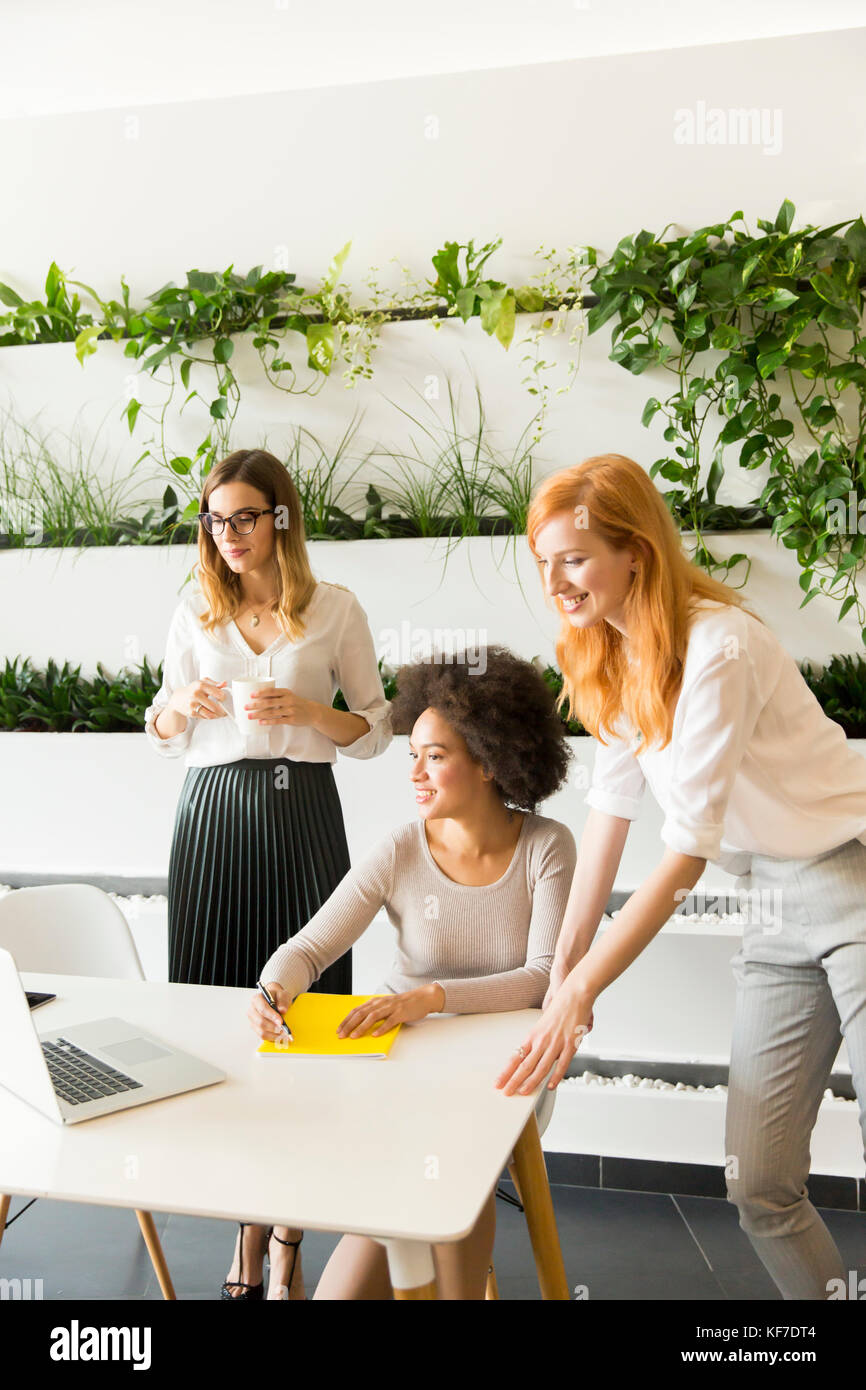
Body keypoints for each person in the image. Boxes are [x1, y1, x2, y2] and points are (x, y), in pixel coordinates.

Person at [495, 452, 866, 1300]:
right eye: (543, 561)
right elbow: (610, 817)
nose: (556, 580)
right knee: (758, 1182)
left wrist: (585, 988)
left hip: (853, 879)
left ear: (638, 553)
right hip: (771, 900)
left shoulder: (720, 645)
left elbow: (687, 847)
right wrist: (561, 967)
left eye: (576, 557)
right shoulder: (612, 658)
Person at [250, 647, 577, 1299]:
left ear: (488, 761)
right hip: (400, 1068)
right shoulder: (400, 848)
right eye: (412, 755)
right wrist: (274, 985)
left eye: (435, 755)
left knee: (464, 1150)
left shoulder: (547, 847)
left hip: (504, 1069)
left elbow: (544, 978)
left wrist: (428, 998)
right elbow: (310, 948)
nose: (417, 775)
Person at [143, 447, 392, 1301]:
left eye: (245, 516)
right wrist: (184, 707)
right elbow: (163, 722)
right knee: (218, 1027)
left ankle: (287, 1233)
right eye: (216, 520)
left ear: (281, 517)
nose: (230, 535)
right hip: (211, 825)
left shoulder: (335, 611)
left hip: (302, 824)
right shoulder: (194, 611)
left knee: (305, 1027)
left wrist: (309, 712)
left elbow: (376, 728)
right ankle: (243, 1235)